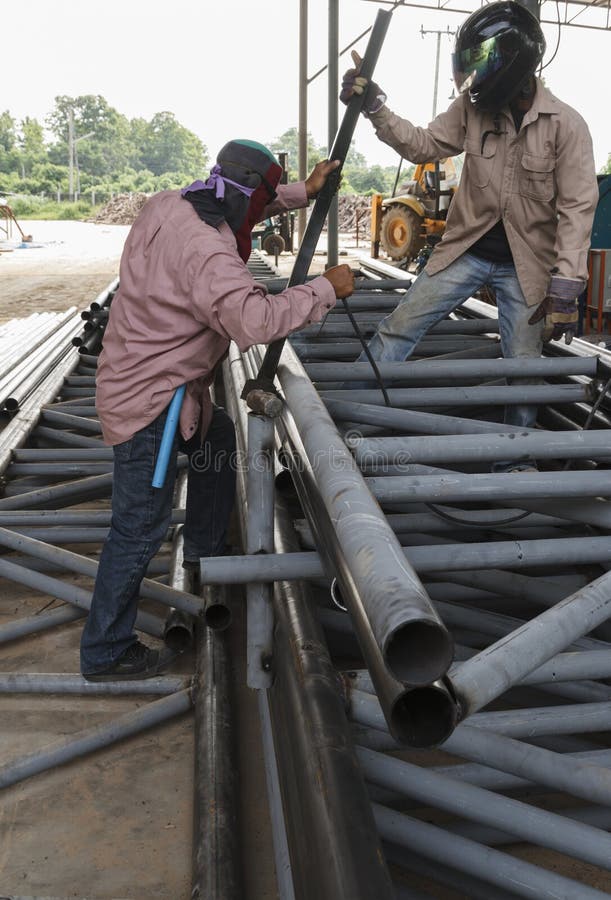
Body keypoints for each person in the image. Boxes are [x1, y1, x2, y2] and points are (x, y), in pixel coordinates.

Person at [80, 139, 354, 681]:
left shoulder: (174, 203)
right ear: (244, 192)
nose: (259, 211)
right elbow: (255, 321)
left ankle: (203, 554)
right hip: (151, 399)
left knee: (219, 434)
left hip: (153, 376)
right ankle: (105, 650)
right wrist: (326, 288)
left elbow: (250, 202)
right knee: (138, 527)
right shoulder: (208, 250)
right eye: (263, 199)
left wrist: (303, 192)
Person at [340, 0, 598, 452]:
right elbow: (423, 145)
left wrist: (567, 284)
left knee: (524, 365)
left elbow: (578, 207)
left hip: (527, 266)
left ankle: (514, 461)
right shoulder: (472, 110)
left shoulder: (567, 126)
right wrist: (376, 107)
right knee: (398, 328)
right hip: (467, 250)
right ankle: (341, 427)